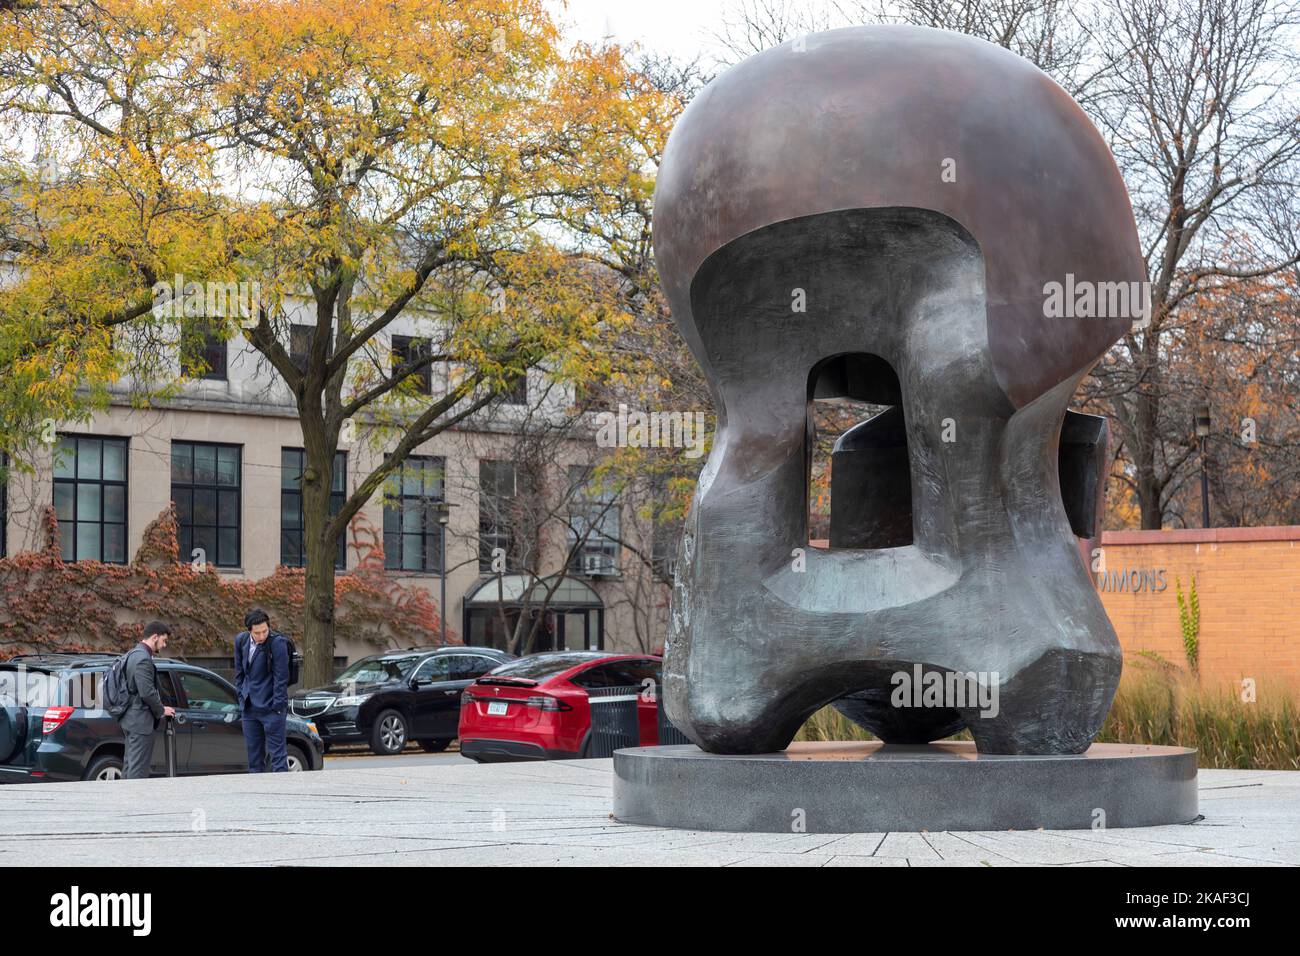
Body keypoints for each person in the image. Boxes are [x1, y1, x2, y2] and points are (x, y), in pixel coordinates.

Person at [233, 607, 290, 772]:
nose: (262, 636)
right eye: (257, 633)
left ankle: (282, 794)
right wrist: (241, 697)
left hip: (271, 708)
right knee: (254, 759)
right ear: (249, 630)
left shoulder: (277, 643)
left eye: (265, 631)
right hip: (249, 708)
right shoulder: (241, 641)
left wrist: (277, 706)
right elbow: (239, 673)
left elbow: (281, 677)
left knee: (278, 758)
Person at [118, 621, 176, 779]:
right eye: (164, 641)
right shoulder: (143, 658)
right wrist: (162, 709)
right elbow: (146, 692)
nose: (164, 645)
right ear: (155, 637)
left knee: (130, 765)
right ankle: (134, 802)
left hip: (131, 719)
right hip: (140, 721)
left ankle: (123, 801)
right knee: (138, 770)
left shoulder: (133, 653)